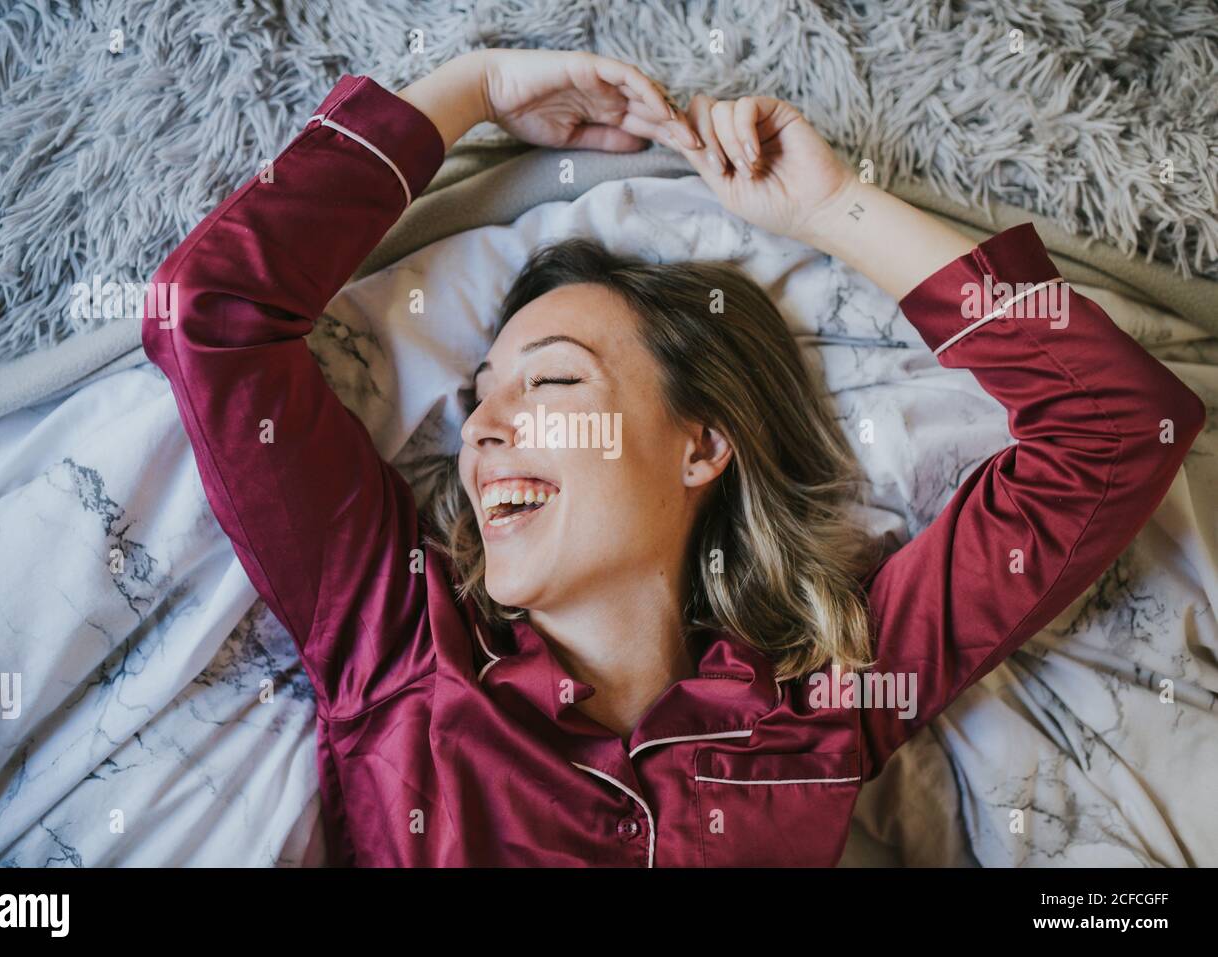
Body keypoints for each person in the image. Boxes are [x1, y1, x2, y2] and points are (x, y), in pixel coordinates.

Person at [141, 48, 1206, 866]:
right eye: (478, 399)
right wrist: (473, 85)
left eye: (551, 381)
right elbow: (212, 317)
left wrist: (831, 210)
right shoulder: (397, 655)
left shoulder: (828, 707)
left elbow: (1117, 425)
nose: (480, 430)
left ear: (701, 447)